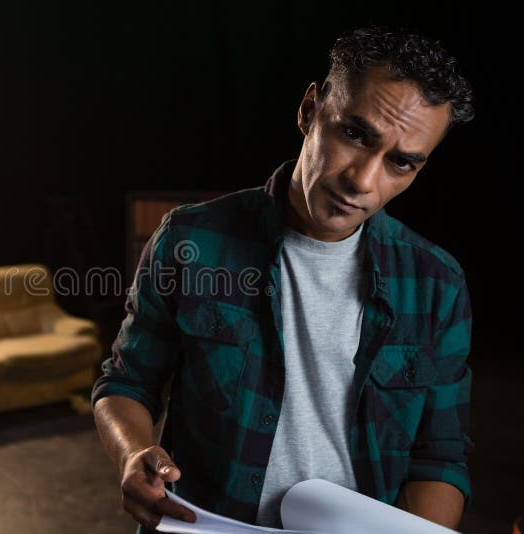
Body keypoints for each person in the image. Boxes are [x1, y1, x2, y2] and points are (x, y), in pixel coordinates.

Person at [91, 24, 475, 532]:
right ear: (310, 110)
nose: (362, 180)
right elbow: (126, 381)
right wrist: (133, 453)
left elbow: (439, 455)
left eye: (401, 163)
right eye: (355, 134)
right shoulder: (192, 240)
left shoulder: (436, 284)